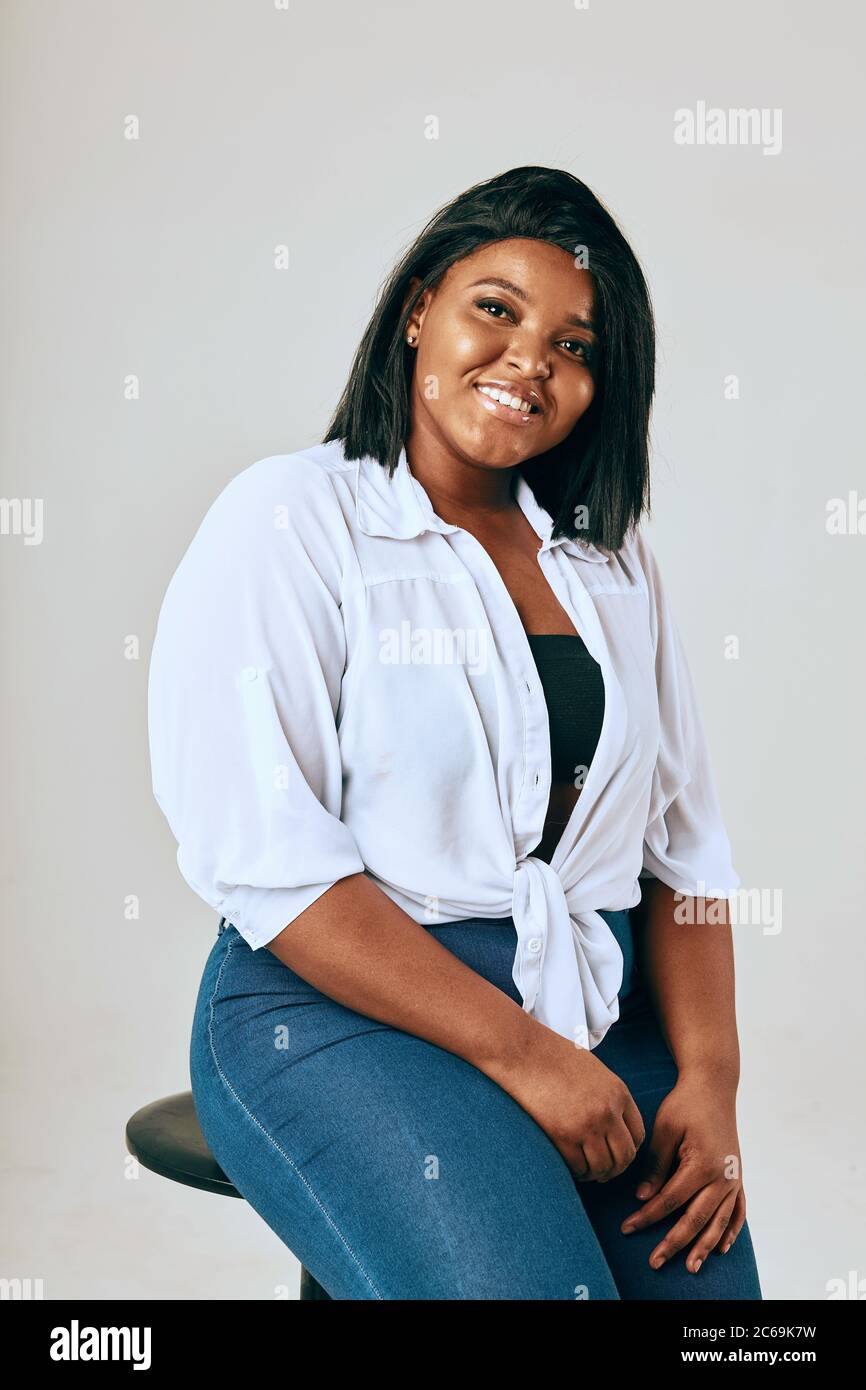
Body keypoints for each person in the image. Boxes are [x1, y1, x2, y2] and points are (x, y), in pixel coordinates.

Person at [148, 165, 763, 1300]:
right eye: (496, 308)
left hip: (586, 1009)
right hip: (342, 1009)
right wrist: (526, 1059)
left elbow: (687, 858)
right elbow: (268, 866)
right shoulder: (290, 519)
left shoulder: (609, 559)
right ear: (419, 307)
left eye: (575, 346)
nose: (530, 357)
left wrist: (710, 1082)